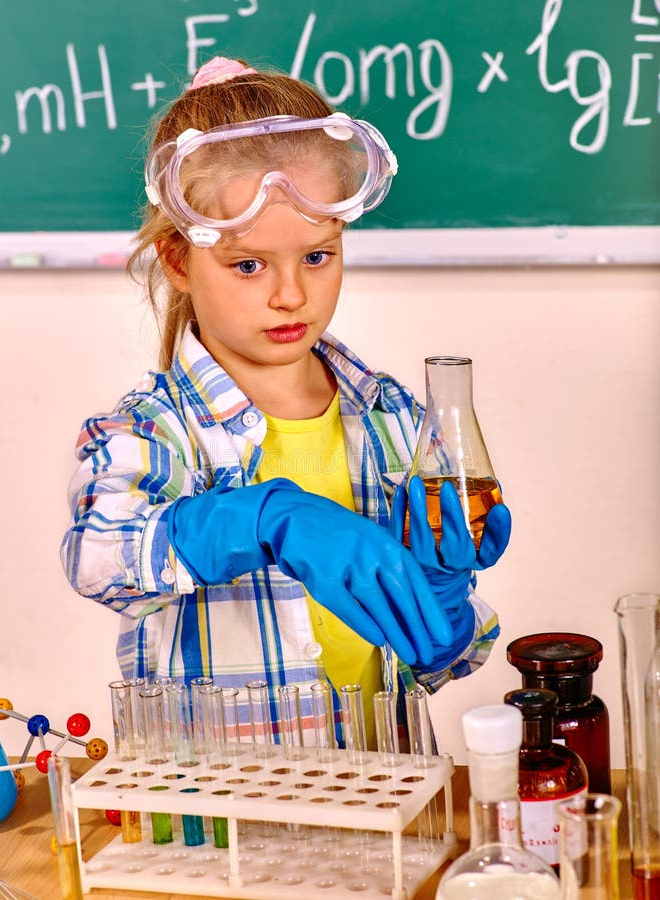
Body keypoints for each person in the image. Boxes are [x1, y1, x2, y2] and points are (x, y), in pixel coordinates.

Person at [60, 56, 511, 747]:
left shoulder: (390, 421)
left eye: (316, 256)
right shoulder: (150, 431)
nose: (290, 295)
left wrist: (443, 598)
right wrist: (266, 517)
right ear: (180, 262)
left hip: (379, 798)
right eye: (247, 265)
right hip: (225, 824)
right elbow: (97, 557)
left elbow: (443, 662)